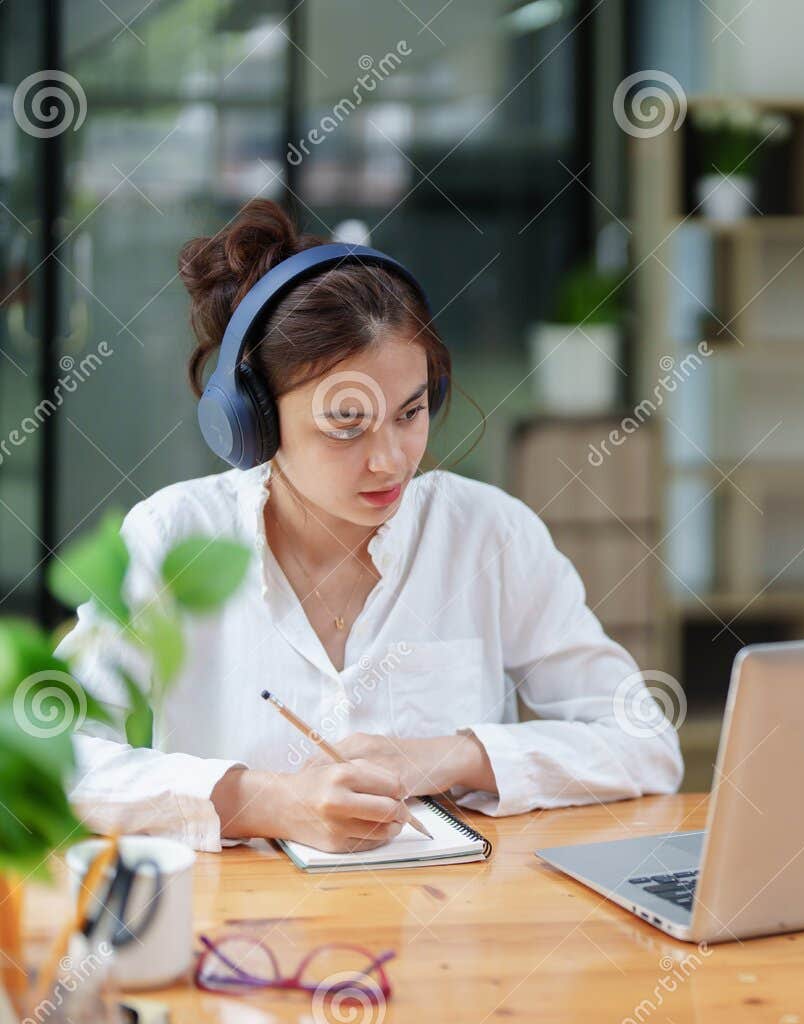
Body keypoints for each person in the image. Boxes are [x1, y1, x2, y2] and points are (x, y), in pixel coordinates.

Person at [56, 199, 682, 853]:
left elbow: (644, 742)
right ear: (255, 422)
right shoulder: (173, 536)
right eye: (346, 424)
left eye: (410, 413)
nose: (389, 460)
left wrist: (447, 755)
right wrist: (270, 801)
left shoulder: (489, 535)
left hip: (447, 934)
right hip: (243, 939)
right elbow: (57, 753)